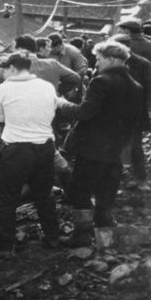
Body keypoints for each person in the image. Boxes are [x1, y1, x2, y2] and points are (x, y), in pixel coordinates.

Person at [57, 41, 144, 248]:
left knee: (80, 191)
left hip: (92, 149)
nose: (97, 63)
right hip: (116, 151)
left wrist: (61, 103)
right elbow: (140, 121)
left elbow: (83, 113)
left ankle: (80, 236)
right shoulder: (136, 86)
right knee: (107, 192)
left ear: (111, 58)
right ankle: (104, 239)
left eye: (99, 58)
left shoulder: (101, 81)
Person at [0, 52, 60, 258]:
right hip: (45, 146)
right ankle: (52, 236)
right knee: (44, 193)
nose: (2, 73)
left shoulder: (4, 88)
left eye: (3, 69)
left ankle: (3, 246)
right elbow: (52, 112)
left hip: (17, 148)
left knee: (6, 197)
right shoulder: (47, 86)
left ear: (12, 68)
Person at [111, 33, 151, 189]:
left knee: (135, 145)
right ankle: (115, 176)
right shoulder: (110, 62)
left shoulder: (143, 64)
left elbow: (149, 89)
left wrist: (147, 109)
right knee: (112, 143)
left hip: (135, 111)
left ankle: (141, 178)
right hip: (114, 111)